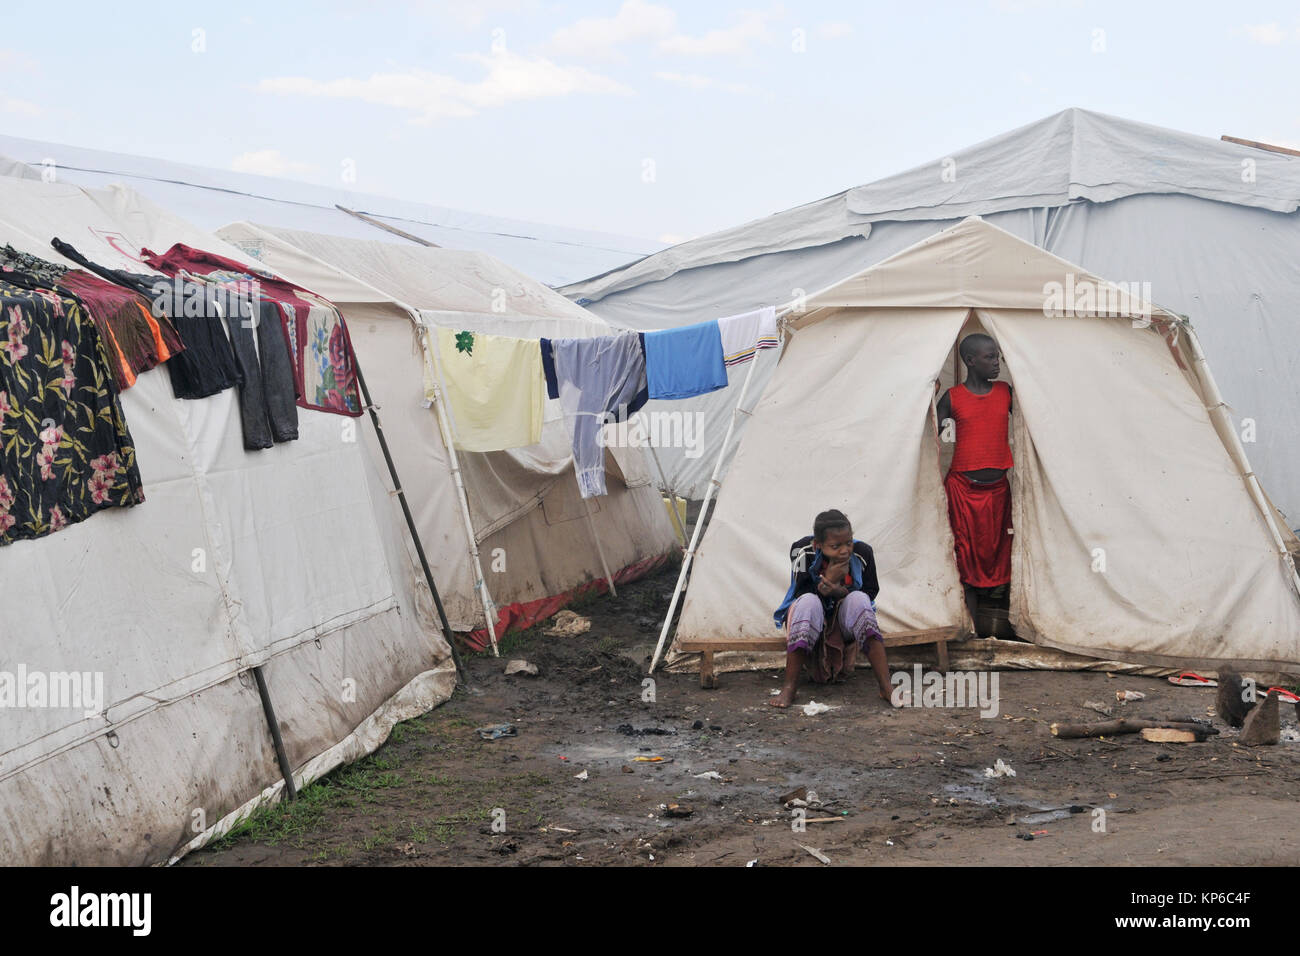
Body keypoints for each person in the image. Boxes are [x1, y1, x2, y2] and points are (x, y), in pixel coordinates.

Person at [770, 509, 892, 708]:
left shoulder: (864, 552)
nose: (845, 550)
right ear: (818, 544)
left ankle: (886, 687)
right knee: (809, 602)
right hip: (810, 620)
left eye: (848, 543)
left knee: (860, 600)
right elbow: (800, 592)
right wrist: (829, 579)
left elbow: (871, 590)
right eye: (835, 546)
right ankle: (789, 687)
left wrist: (840, 591)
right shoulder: (802, 550)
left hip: (844, 623)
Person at [935, 333, 1013, 628]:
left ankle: (998, 626)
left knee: (1000, 551)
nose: (997, 363)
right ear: (970, 361)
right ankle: (967, 629)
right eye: (990, 357)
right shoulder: (953, 398)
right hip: (963, 492)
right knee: (964, 556)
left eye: (997, 357)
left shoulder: (1007, 392)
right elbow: (931, 435)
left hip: (998, 493)